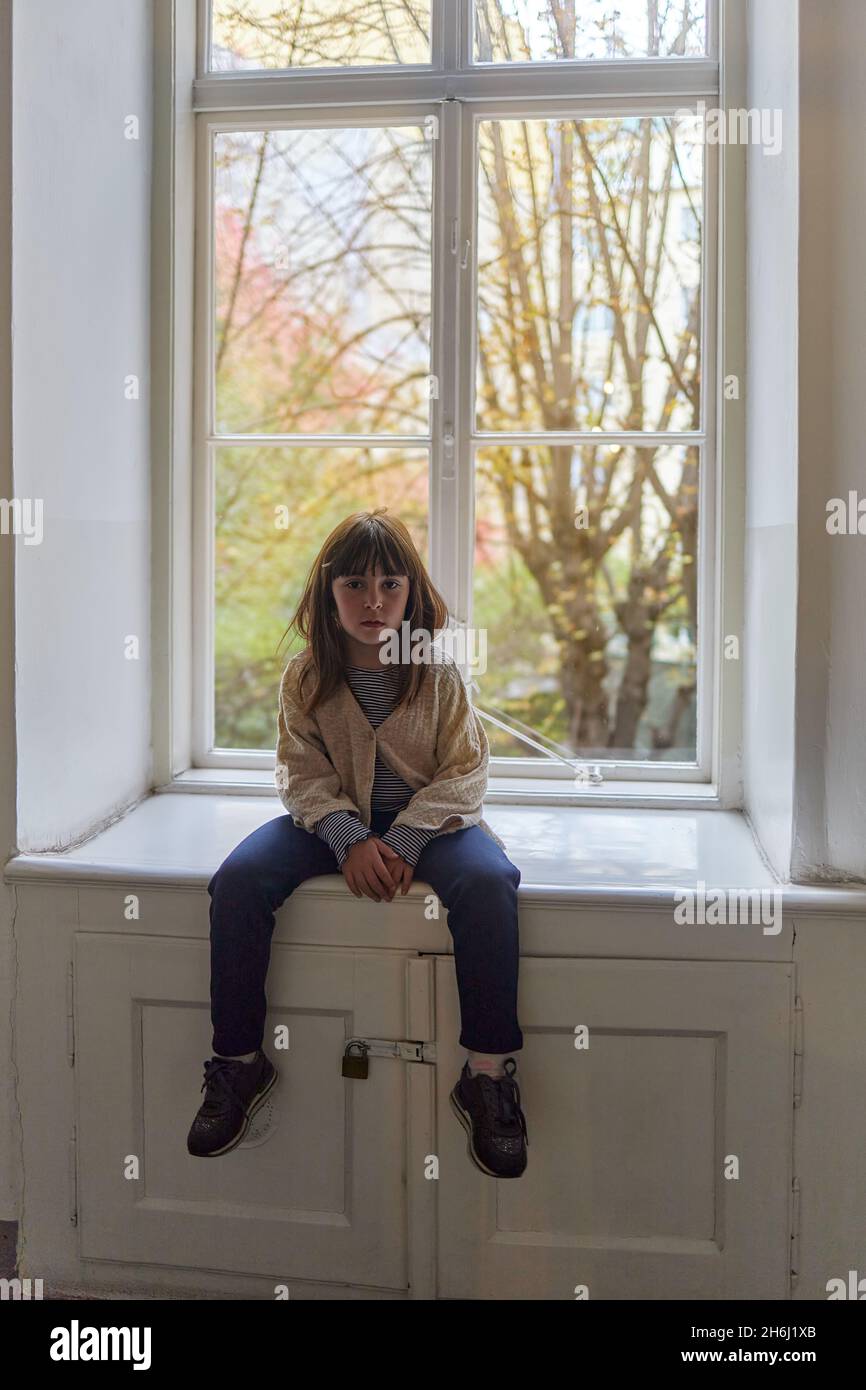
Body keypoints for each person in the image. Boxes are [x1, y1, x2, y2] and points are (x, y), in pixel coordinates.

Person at [187, 508, 528, 1178]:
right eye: (354, 585)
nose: (373, 602)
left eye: (390, 586)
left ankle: (486, 1074)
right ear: (328, 592)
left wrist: (403, 836)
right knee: (237, 879)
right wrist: (348, 837)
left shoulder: (439, 672)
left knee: (490, 884)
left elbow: (467, 771)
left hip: (434, 827)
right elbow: (300, 772)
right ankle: (238, 1061)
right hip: (328, 824)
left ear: (413, 594)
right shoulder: (306, 676)